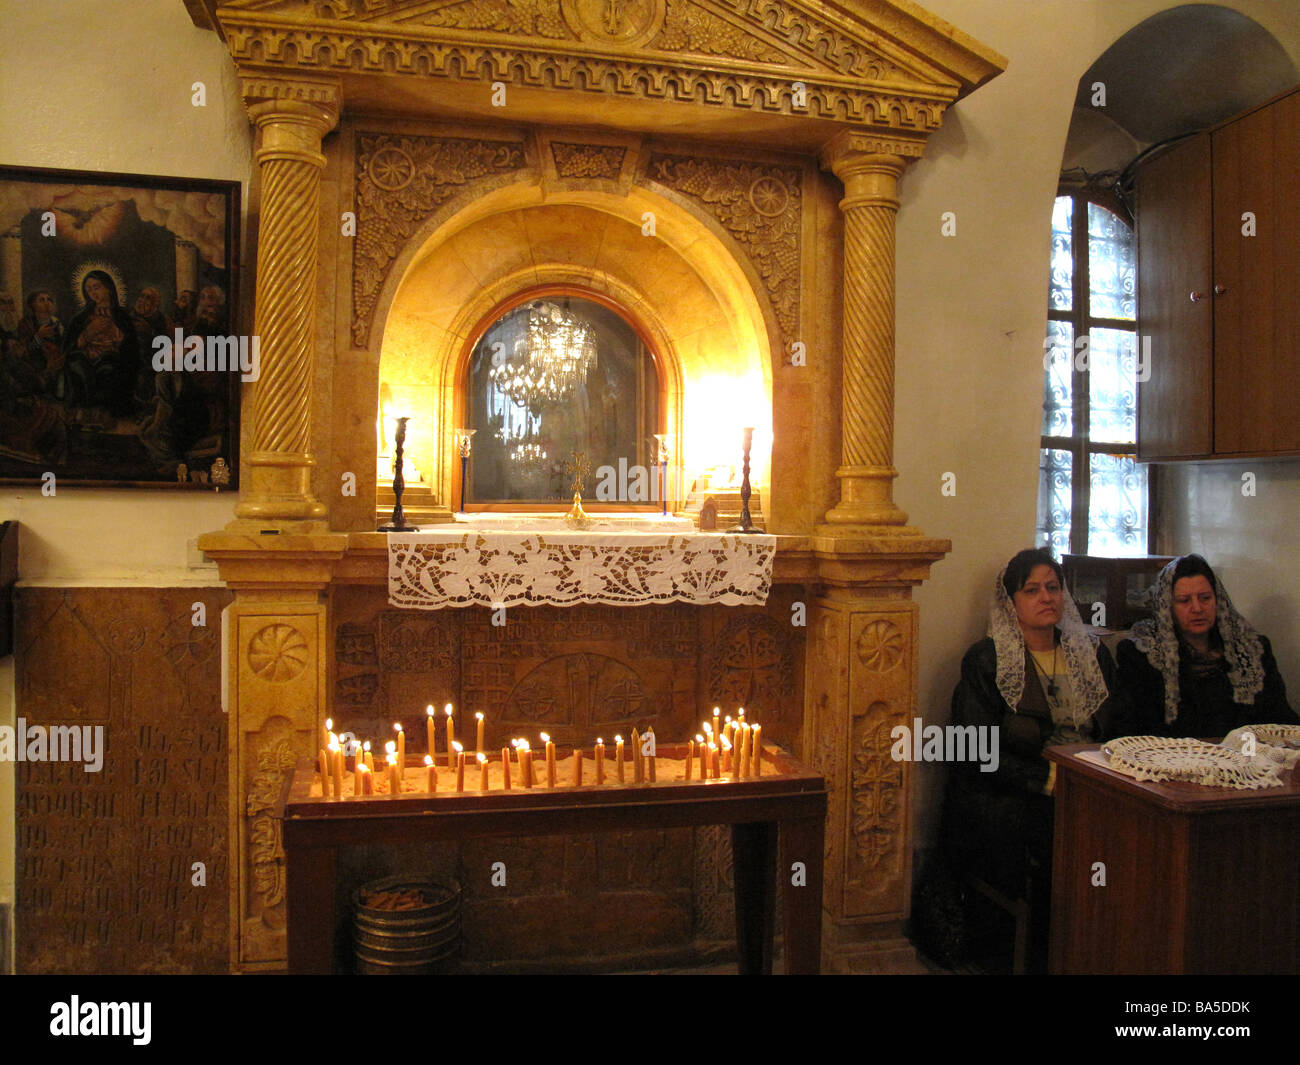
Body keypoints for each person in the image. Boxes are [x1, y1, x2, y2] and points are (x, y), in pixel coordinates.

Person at [919, 548, 1117, 970]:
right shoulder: (987, 660)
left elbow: (1119, 729)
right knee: (1056, 839)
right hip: (1014, 796)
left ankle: (1109, 945)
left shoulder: (1092, 656)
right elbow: (973, 752)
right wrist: (1046, 780)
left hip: (1095, 784)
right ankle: (1053, 953)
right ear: (1011, 602)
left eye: (1053, 587)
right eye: (1032, 590)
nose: (1046, 597)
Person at [1113, 555, 1299, 738]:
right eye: (1184, 600)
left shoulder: (1252, 650)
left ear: (1217, 600)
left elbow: (1280, 719)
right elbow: (1128, 730)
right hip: (1172, 761)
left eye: (1205, 598)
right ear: (1167, 607)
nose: (1197, 608)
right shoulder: (1141, 654)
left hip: (1245, 759)